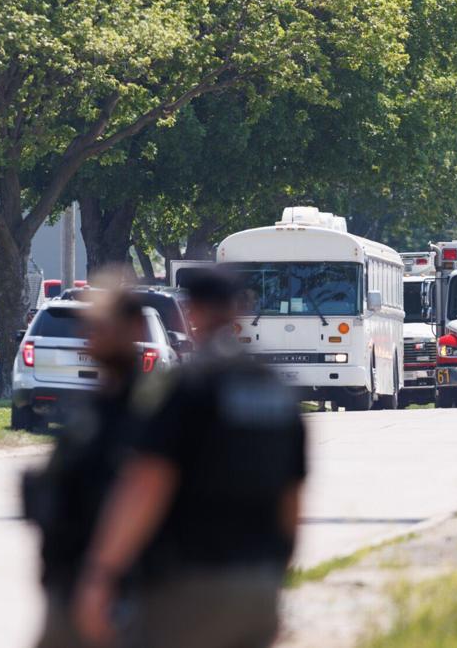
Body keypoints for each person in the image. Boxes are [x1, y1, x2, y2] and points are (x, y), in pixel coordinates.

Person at [74, 268, 306, 648]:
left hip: (192, 579)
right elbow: (292, 500)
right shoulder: (277, 392)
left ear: (192, 313)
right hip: (257, 583)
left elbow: (149, 481)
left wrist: (103, 572)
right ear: (239, 312)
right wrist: (275, 576)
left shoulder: (188, 386)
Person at [24, 290, 150, 648]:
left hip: (129, 581)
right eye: (91, 328)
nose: (92, 337)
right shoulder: (89, 410)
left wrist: (102, 575)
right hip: (69, 577)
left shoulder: (155, 411)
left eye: (104, 327)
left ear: (133, 329)